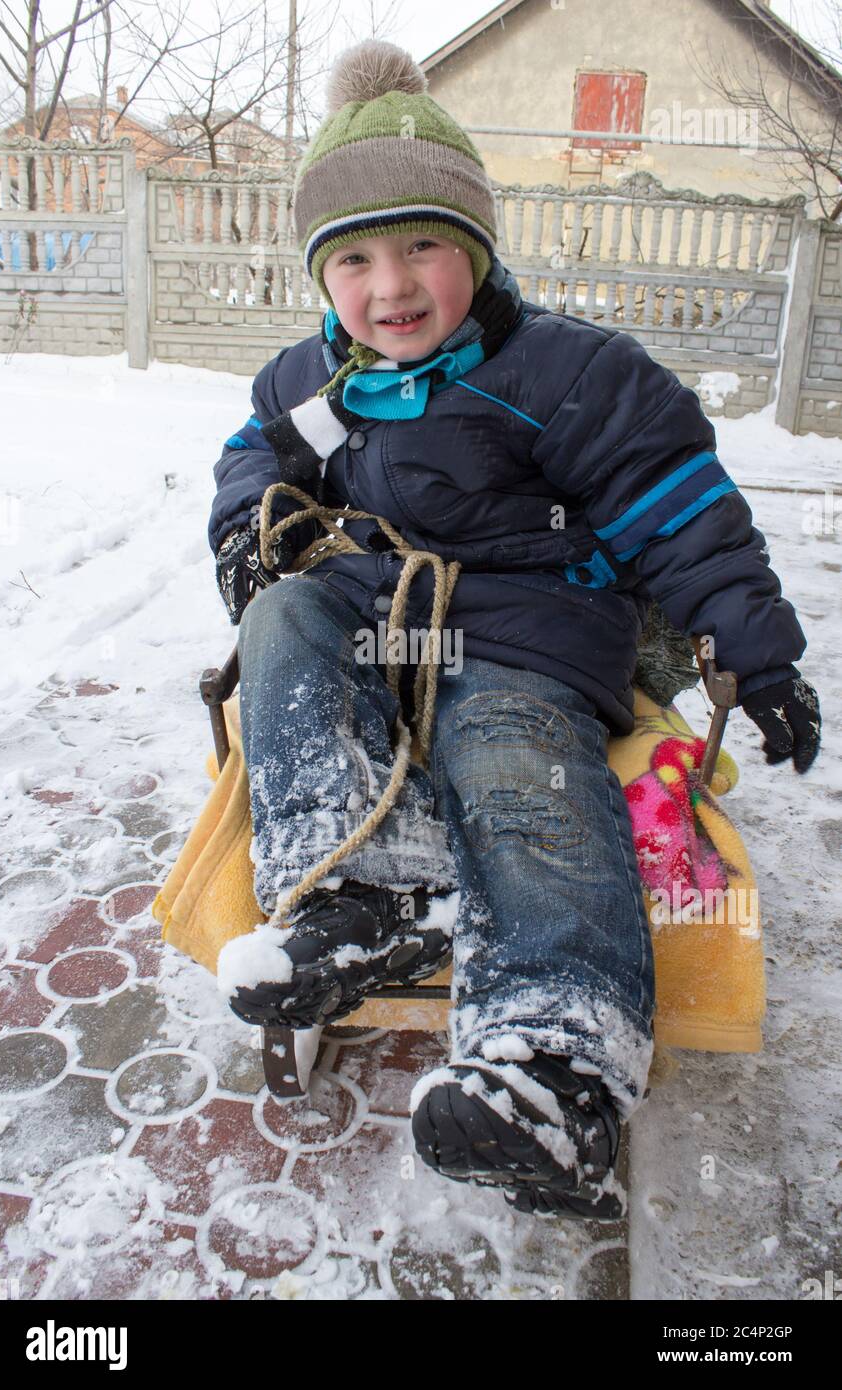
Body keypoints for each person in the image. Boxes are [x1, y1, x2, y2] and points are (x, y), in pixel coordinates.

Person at [207, 40, 821, 1220]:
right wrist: (253, 525)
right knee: (286, 613)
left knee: (517, 780)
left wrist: (757, 652)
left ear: (476, 248)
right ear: (320, 279)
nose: (389, 285)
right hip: (380, 629)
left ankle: (553, 1059)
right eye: (354, 259)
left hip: (520, 644)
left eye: (421, 245)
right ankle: (358, 890)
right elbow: (247, 460)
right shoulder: (312, 383)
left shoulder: (567, 372)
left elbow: (678, 507)